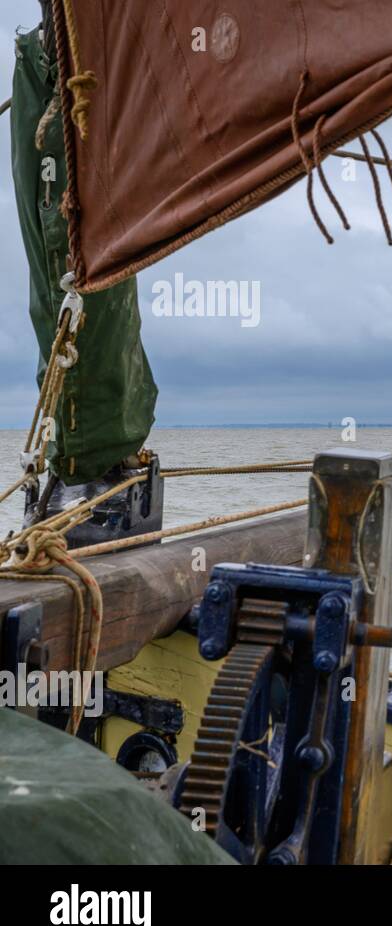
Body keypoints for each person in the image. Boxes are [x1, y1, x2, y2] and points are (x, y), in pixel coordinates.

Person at [11, 2, 161, 546]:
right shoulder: (50, 68)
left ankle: (92, 460)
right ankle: (87, 461)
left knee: (80, 249)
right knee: (67, 250)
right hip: (72, 63)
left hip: (91, 61)